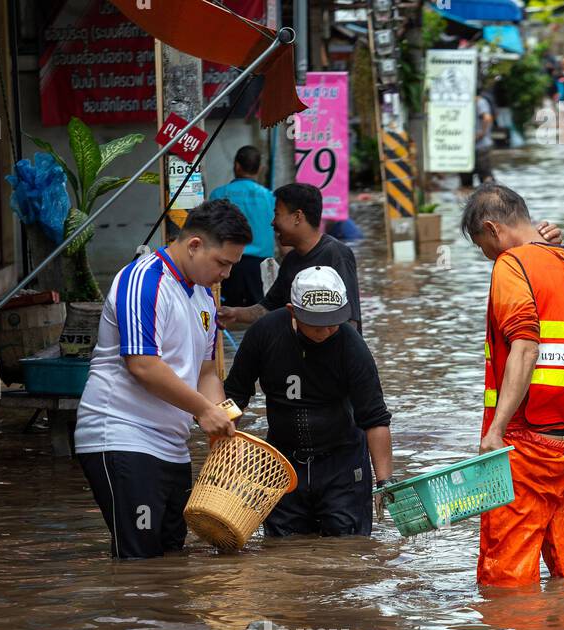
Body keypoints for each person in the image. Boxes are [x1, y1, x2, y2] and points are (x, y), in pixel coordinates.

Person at [74, 200, 251, 559]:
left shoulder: (203, 296)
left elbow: (204, 371)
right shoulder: (143, 280)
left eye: (232, 265)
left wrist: (221, 416)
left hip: (171, 446)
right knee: (138, 559)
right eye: (223, 263)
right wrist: (204, 411)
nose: (227, 275)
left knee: (170, 558)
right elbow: (143, 365)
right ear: (194, 245)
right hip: (122, 436)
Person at [461, 184, 564, 588]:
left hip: (525, 445)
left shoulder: (511, 266)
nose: (487, 257)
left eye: (482, 247)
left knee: (505, 579)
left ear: (492, 229)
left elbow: (525, 347)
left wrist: (495, 431)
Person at [222, 267, 392, 536]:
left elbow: (374, 418)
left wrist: (384, 481)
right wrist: (224, 461)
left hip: (342, 463)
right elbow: (234, 397)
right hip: (281, 463)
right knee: (284, 553)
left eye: (333, 322)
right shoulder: (265, 333)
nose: (325, 331)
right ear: (292, 311)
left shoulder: (351, 345)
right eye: (316, 324)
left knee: (348, 551)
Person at [218, 183, 363, 334]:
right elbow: (268, 308)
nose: (272, 222)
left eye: (277, 214)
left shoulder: (336, 253)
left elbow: (350, 320)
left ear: (297, 217)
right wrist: (234, 313)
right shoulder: (291, 260)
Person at [208, 145, 275, 308]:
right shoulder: (270, 197)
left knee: (228, 313)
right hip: (260, 265)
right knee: (260, 312)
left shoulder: (218, 194)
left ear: (237, 166)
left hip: (227, 264)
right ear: (260, 168)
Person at [461, 90, 495, 189]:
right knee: (471, 177)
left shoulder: (479, 102)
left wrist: (481, 134)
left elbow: (487, 118)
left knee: (485, 176)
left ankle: (487, 200)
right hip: (469, 146)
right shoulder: (468, 102)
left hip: (480, 145)